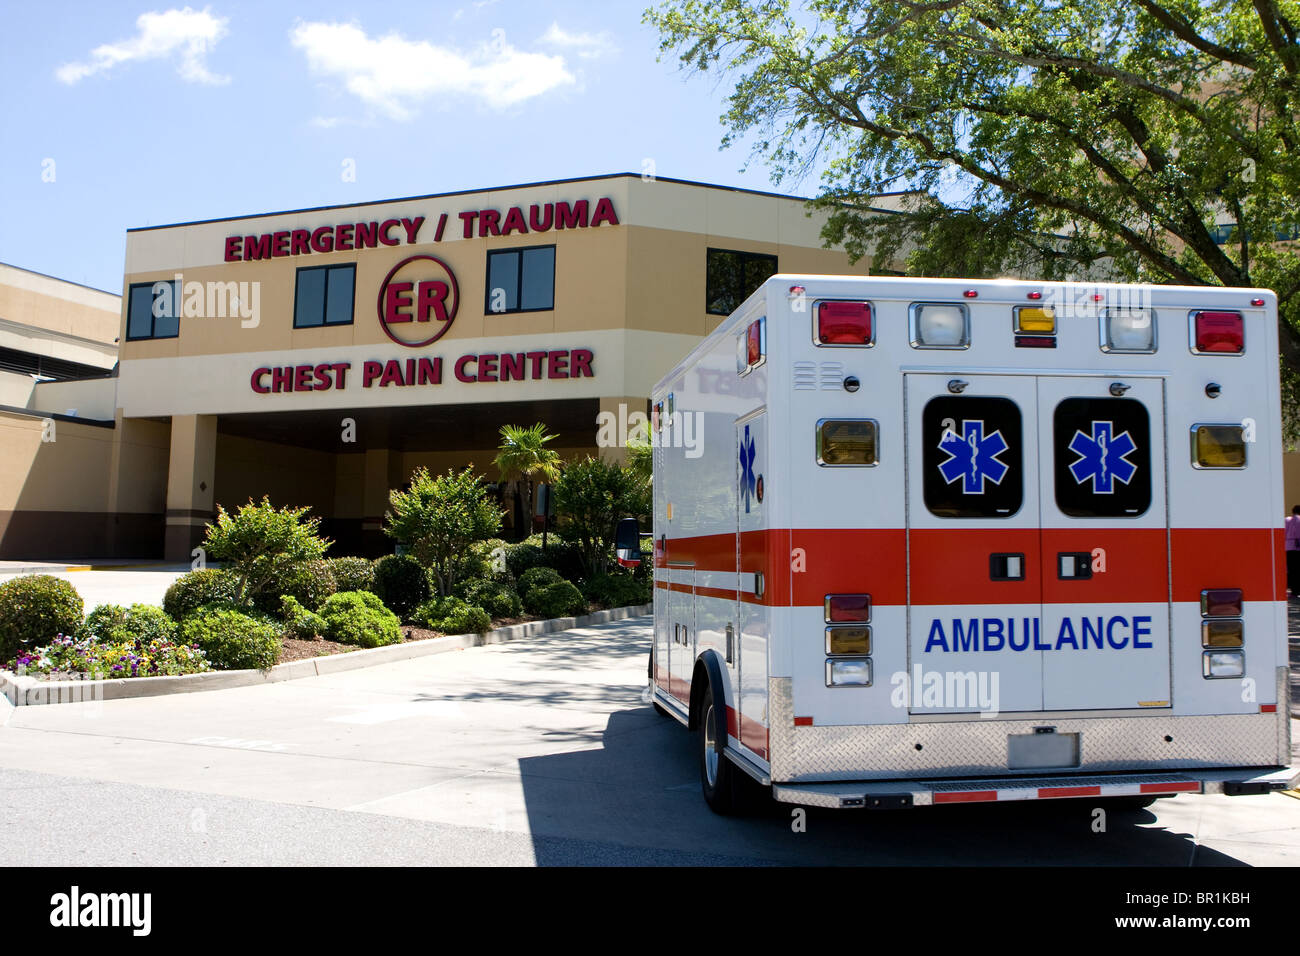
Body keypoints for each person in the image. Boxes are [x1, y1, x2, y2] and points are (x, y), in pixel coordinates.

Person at [1287, 506, 1300, 598]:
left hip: (1288, 546)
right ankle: (1297, 590)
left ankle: (1293, 591)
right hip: (1297, 547)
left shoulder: (1287, 519)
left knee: (1291, 570)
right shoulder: (1299, 519)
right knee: (1297, 569)